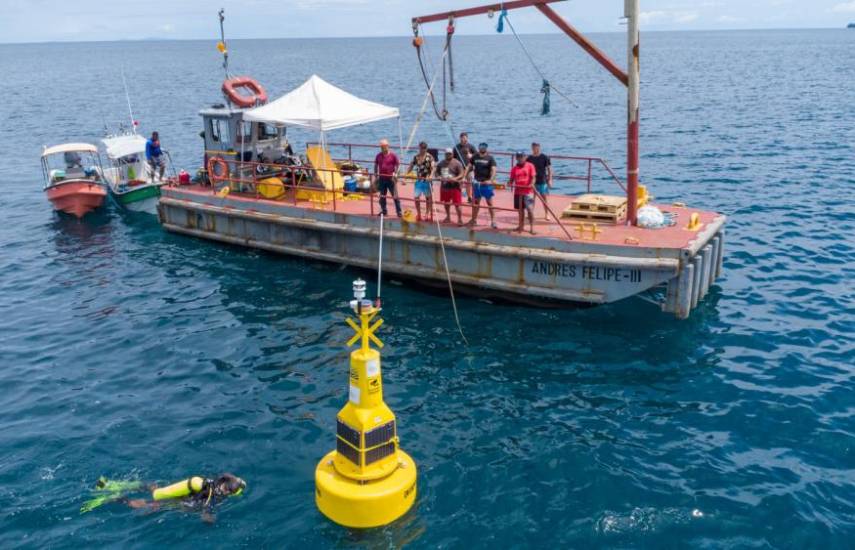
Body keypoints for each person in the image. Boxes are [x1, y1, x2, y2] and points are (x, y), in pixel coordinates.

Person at [81, 473, 246, 524]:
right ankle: (115, 498)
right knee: (146, 505)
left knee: (154, 487)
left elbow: (236, 482)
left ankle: (111, 484)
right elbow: (205, 512)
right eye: (229, 492)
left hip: (182, 492)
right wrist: (209, 520)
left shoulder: (213, 481)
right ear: (227, 489)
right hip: (181, 501)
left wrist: (238, 483)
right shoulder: (213, 495)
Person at [466, 142, 498, 228]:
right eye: (481, 146)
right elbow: (469, 166)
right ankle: (474, 219)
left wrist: (491, 180)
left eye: (484, 147)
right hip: (477, 184)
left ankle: (493, 221)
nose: (482, 148)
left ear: (486, 148)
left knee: (489, 203)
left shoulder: (490, 158)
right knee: (476, 203)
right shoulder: (475, 157)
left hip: (486, 184)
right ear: (479, 147)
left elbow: (494, 170)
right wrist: (464, 176)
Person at [405, 141, 436, 221]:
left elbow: (433, 168)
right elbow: (411, 166)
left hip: (427, 180)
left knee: (428, 198)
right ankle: (419, 214)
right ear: (419, 148)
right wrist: (406, 175)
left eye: (424, 148)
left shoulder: (430, 157)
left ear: (426, 149)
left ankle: (427, 213)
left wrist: (431, 176)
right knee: (416, 197)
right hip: (419, 180)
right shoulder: (416, 157)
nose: (422, 150)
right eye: (421, 148)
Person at [509, 151, 537, 234]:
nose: (520, 158)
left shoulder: (530, 166)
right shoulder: (514, 168)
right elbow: (511, 179)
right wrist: (509, 183)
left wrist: (532, 184)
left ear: (525, 157)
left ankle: (532, 227)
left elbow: (533, 177)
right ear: (516, 158)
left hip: (528, 191)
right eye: (518, 157)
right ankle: (521, 226)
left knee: (530, 210)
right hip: (518, 192)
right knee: (520, 210)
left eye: (522, 157)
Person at [373, 138, 401, 217]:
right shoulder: (378, 155)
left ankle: (399, 212)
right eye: (381, 147)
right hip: (382, 179)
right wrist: (376, 175)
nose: (382, 148)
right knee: (382, 196)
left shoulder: (393, 155)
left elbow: (398, 165)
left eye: (383, 147)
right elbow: (375, 165)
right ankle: (384, 211)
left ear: (387, 146)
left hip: (391, 178)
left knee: (395, 196)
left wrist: (396, 173)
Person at [437, 148, 465, 225]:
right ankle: (448, 217)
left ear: (452, 154)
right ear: (445, 154)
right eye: (447, 154)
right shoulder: (441, 163)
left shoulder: (457, 163)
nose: (448, 155)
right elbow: (437, 172)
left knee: (457, 204)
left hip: (455, 186)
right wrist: (438, 177)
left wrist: (455, 178)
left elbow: (462, 174)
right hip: (445, 186)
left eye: (450, 154)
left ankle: (460, 219)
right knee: (446, 203)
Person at [527, 142, 553, 220]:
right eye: (533, 147)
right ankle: (531, 213)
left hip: (542, 180)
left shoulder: (544, 157)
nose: (534, 149)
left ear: (539, 147)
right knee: (531, 198)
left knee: (544, 198)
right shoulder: (529, 158)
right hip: (532, 181)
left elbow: (549, 169)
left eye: (536, 147)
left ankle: (547, 214)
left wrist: (550, 179)